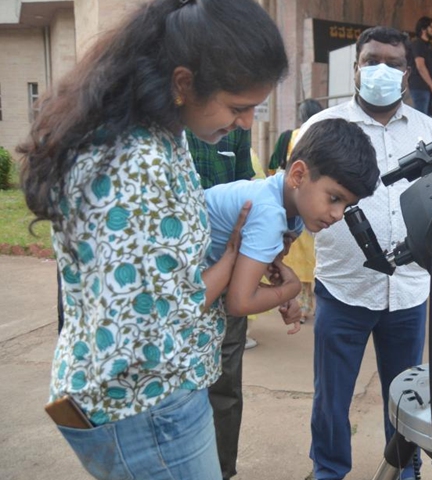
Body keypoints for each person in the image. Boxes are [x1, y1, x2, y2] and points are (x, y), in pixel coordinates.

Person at [16, 0, 288, 478]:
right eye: (238, 107)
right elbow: (149, 324)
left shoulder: (164, 132)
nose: (246, 123)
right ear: (183, 83)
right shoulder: (133, 163)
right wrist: (231, 265)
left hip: (151, 398)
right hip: (147, 408)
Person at [299, 26, 432, 480]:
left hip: (408, 292)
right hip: (343, 288)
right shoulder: (322, 128)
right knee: (332, 396)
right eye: (372, 60)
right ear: (356, 67)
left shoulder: (431, 132)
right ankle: (328, 470)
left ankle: (404, 470)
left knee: (405, 397)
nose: (382, 69)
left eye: (393, 62)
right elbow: (296, 195)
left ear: (406, 74)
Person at [205, 117, 380, 321]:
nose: (338, 215)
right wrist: (291, 289)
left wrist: (277, 291)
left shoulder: (291, 213)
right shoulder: (269, 214)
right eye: (334, 198)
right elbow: (239, 302)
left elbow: (261, 265)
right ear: (298, 175)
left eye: (347, 205)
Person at [186, 127, 264, 477]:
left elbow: (249, 197)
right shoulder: (151, 129)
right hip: (170, 280)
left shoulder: (236, 127)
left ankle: (221, 471)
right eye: (238, 108)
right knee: (175, 392)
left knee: (224, 382)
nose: (246, 118)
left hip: (225, 275)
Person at [281, 99, 326, 324]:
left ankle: (298, 304)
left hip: (297, 201)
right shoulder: (323, 135)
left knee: (296, 258)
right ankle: (308, 304)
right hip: (314, 204)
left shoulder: (291, 136)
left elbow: (277, 165)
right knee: (312, 257)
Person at [409, 16, 432, 115]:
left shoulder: (428, 45)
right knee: (421, 117)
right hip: (420, 87)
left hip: (427, 88)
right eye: (431, 27)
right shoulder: (418, 43)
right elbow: (421, 67)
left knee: (428, 117)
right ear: (423, 29)